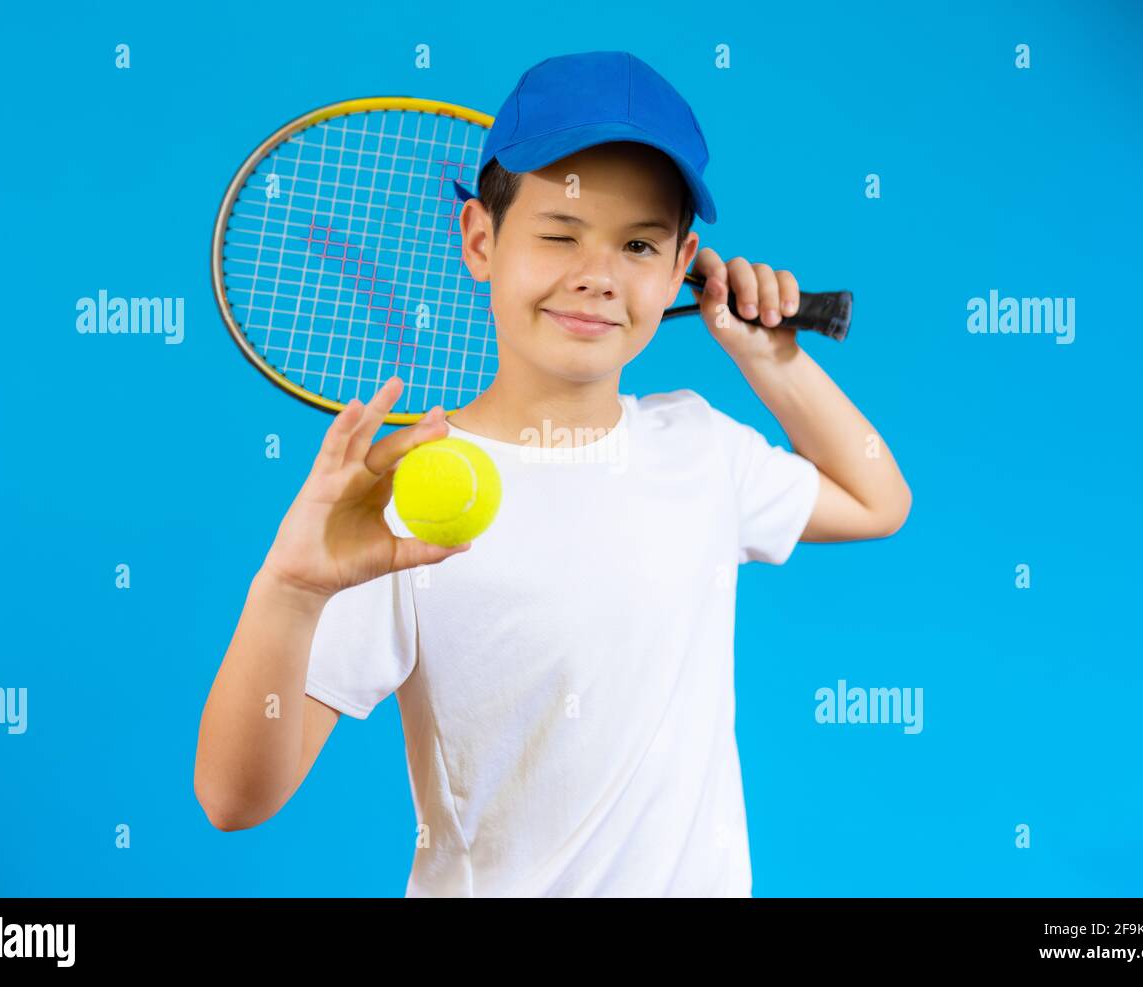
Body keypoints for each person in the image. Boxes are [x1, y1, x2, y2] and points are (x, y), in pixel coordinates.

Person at [194, 51, 912, 896]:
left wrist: (769, 357)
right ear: (480, 241)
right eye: (559, 234)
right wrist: (290, 589)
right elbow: (233, 797)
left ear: (682, 267)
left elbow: (877, 498)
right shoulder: (407, 497)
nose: (597, 277)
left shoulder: (701, 446)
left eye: (638, 245)